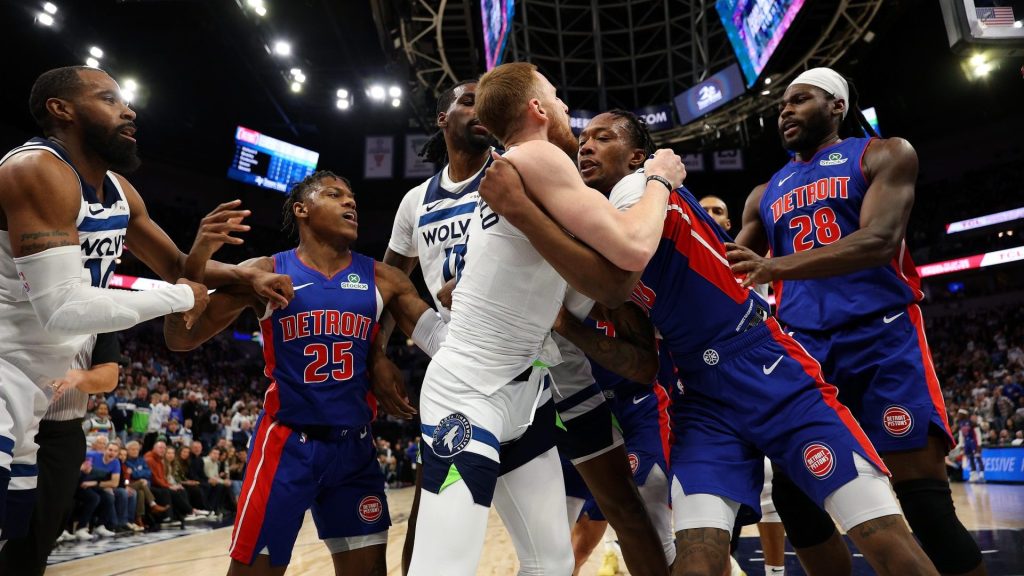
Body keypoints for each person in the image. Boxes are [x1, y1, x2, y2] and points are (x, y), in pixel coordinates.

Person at [473, 64, 939, 576]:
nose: (584, 146)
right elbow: (634, 351)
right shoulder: (601, 222)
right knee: (695, 550)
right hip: (696, 388)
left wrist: (520, 208)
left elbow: (612, 280)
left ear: (635, 157)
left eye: (601, 138)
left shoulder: (638, 191)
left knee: (876, 529)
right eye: (582, 138)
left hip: (762, 364)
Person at [406, 62, 686, 576]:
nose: (565, 111)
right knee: (446, 564)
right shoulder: (540, 157)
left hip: (525, 393)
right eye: (557, 99)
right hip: (468, 388)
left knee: (552, 562)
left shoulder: (518, 168)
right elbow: (627, 252)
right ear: (536, 109)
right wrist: (660, 183)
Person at [0, 65, 290, 546]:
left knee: (19, 546)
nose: (128, 110)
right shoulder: (35, 169)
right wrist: (179, 295)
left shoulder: (118, 190)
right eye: (109, 99)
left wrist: (245, 275)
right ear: (61, 109)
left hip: (37, 391)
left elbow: (175, 262)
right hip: (6, 365)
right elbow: (61, 307)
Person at [728, 67, 985, 576]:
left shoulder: (883, 154)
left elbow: (879, 242)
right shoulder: (766, 191)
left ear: (837, 105)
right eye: (781, 105)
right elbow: (729, 264)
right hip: (805, 349)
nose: (785, 111)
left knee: (925, 502)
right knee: (795, 495)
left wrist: (774, 266)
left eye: (800, 100)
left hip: (882, 336)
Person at [164, 170, 441, 576]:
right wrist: (196, 261)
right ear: (302, 209)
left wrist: (381, 352)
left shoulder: (384, 279)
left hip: (355, 451)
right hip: (287, 445)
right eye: (335, 195)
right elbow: (179, 339)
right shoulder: (265, 271)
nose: (350, 203)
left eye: (352, 198)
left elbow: (441, 340)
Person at [699, 194, 786, 576]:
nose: (712, 215)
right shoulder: (689, 261)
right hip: (705, 388)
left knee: (769, 494)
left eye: (719, 210)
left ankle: (774, 571)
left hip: (760, 381)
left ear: (733, 224)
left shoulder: (747, 257)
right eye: (705, 211)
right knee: (713, 499)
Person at [0, 332, 126, 574]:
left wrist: (77, 377)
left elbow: (110, 376)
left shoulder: (97, 309)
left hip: (58, 436)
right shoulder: (15, 296)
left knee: (37, 531)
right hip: (9, 421)